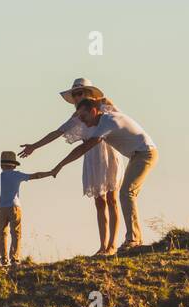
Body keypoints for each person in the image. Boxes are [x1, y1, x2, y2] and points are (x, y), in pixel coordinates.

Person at [18, 78, 124, 255]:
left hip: (108, 152)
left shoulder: (103, 106)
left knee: (112, 198)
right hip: (91, 156)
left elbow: (119, 118)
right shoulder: (77, 117)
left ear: (88, 94)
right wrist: (34, 146)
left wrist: (105, 101)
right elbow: (57, 132)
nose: (76, 97)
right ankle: (103, 245)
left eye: (79, 93)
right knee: (99, 201)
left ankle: (112, 244)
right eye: (74, 94)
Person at [49, 98, 157, 251]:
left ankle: (133, 239)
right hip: (137, 155)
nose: (82, 121)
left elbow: (84, 148)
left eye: (83, 116)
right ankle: (134, 237)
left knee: (126, 193)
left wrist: (59, 165)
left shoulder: (107, 122)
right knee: (127, 194)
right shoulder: (103, 121)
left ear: (93, 111)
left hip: (146, 153)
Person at [0, 151, 52, 266]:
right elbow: (35, 175)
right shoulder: (17, 175)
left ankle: (4, 259)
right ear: (14, 165)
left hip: (2, 208)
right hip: (14, 206)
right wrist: (50, 173)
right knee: (16, 233)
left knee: (2, 233)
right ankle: (14, 258)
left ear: (2, 165)